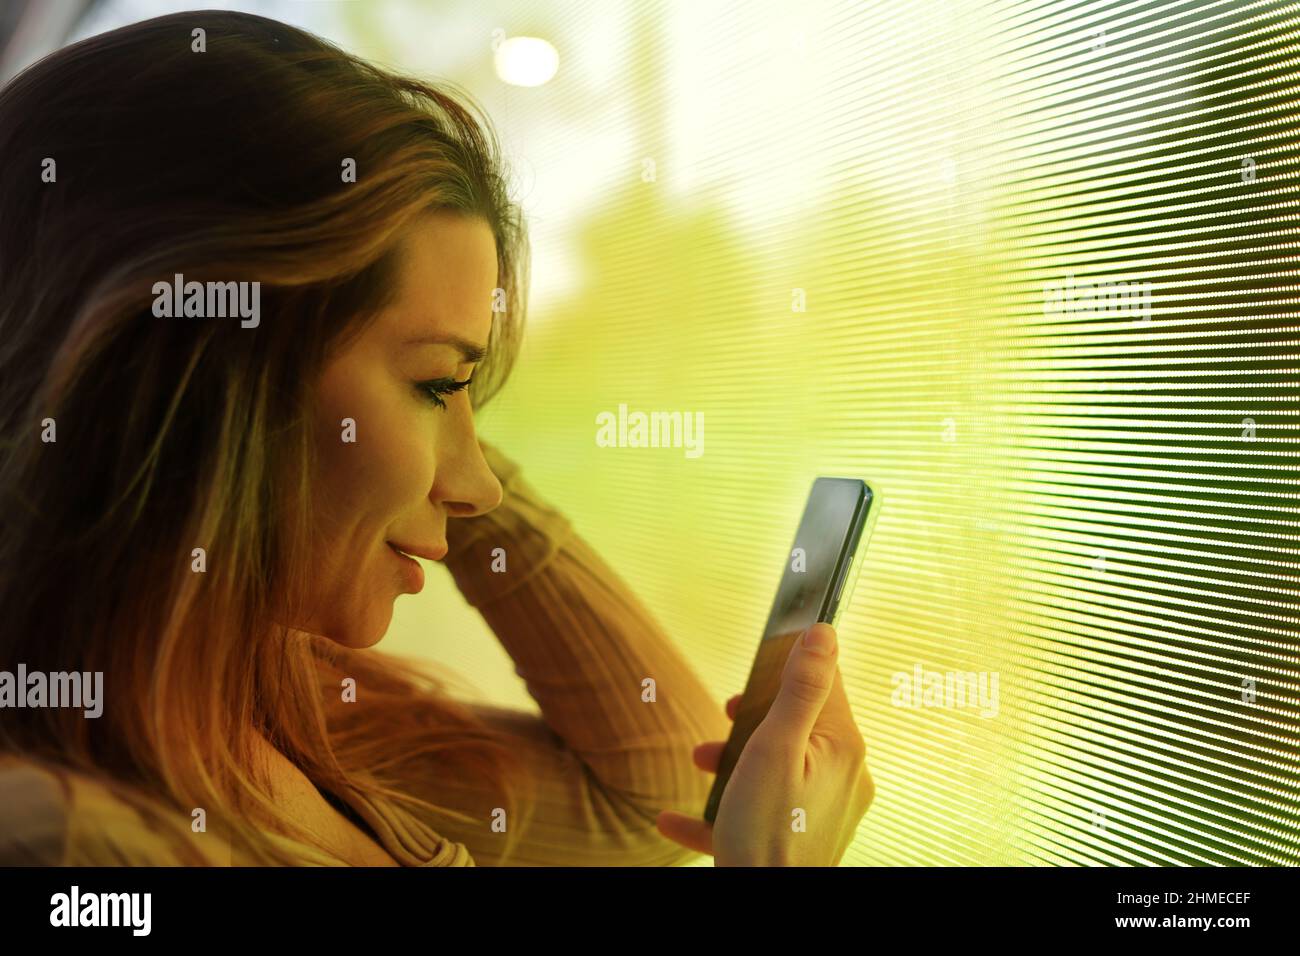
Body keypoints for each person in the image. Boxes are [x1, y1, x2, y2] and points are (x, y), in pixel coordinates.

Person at [0, 10, 872, 867]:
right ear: (203, 377)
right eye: (433, 384)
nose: (483, 487)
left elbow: (661, 802)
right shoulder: (63, 837)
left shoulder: (270, 710)